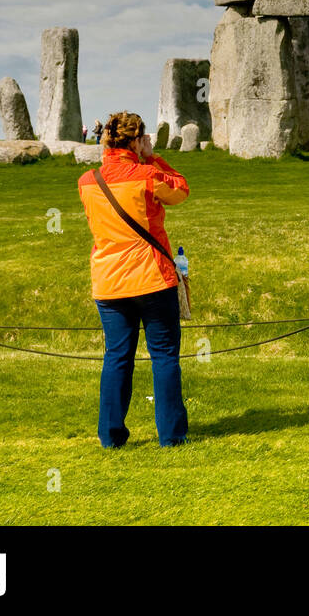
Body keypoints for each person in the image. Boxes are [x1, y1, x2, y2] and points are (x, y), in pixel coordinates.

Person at [78, 111, 190, 448]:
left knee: (116, 357)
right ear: (137, 140)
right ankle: (171, 436)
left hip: (109, 282)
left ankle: (111, 437)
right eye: (145, 138)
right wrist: (153, 157)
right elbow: (181, 190)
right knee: (164, 356)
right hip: (151, 277)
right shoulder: (146, 175)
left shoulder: (87, 181)